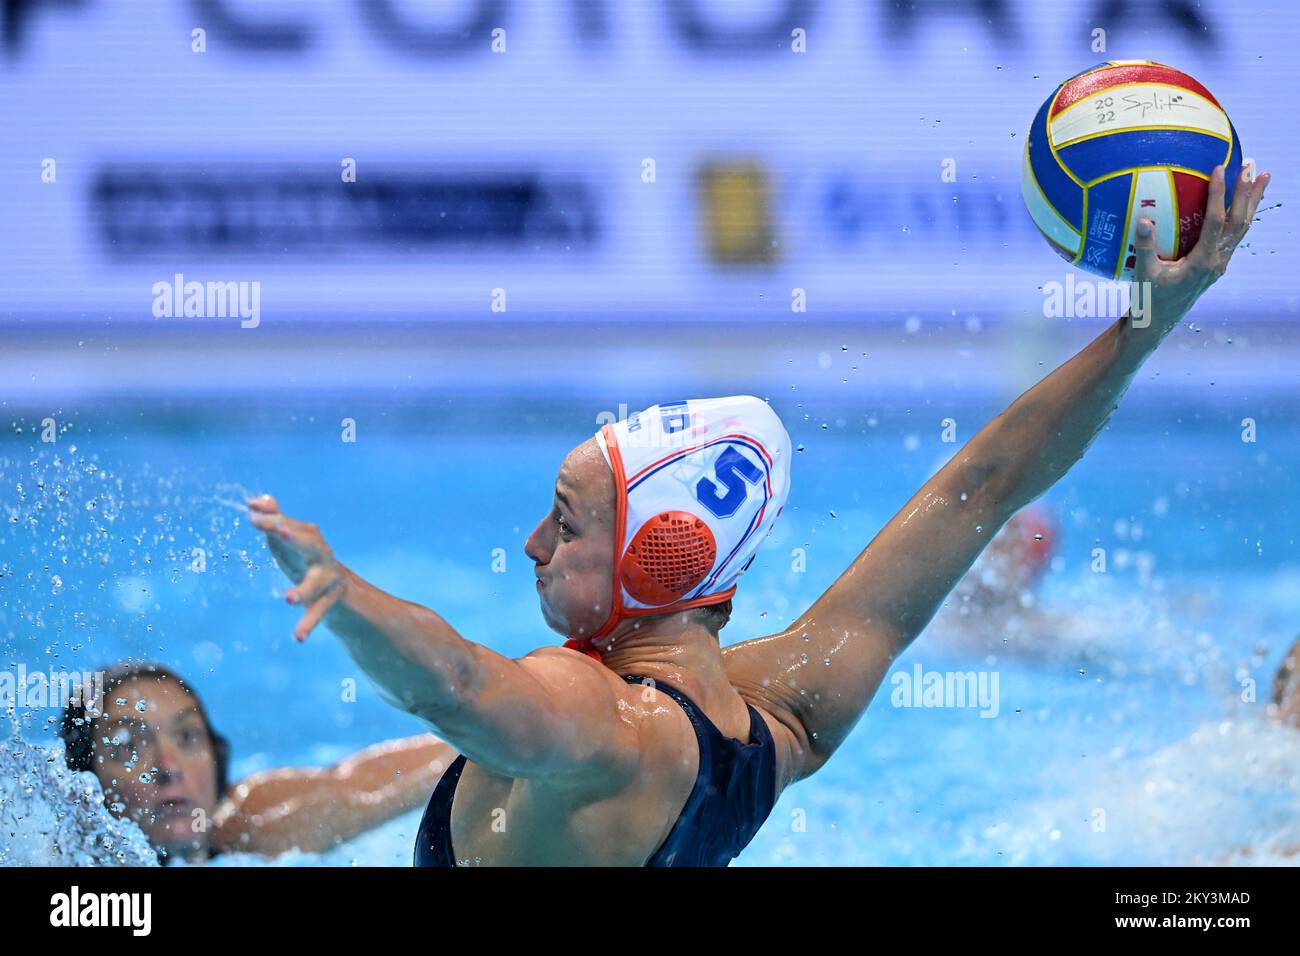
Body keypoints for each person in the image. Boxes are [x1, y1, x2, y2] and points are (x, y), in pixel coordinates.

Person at [248, 163, 1269, 867]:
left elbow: (461, 683)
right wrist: (1142, 329)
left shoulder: (597, 715)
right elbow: (982, 485)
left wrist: (350, 600)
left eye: (563, 521)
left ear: (660, 557)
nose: (532, 542)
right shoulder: (786, 716)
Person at [61, 662, 444, 863]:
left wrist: (493, 735)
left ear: (217, 759)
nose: (168, 766)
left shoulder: (247, 827)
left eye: (188, 738)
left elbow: (355, 785)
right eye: (129, 748)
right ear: (83, 782)